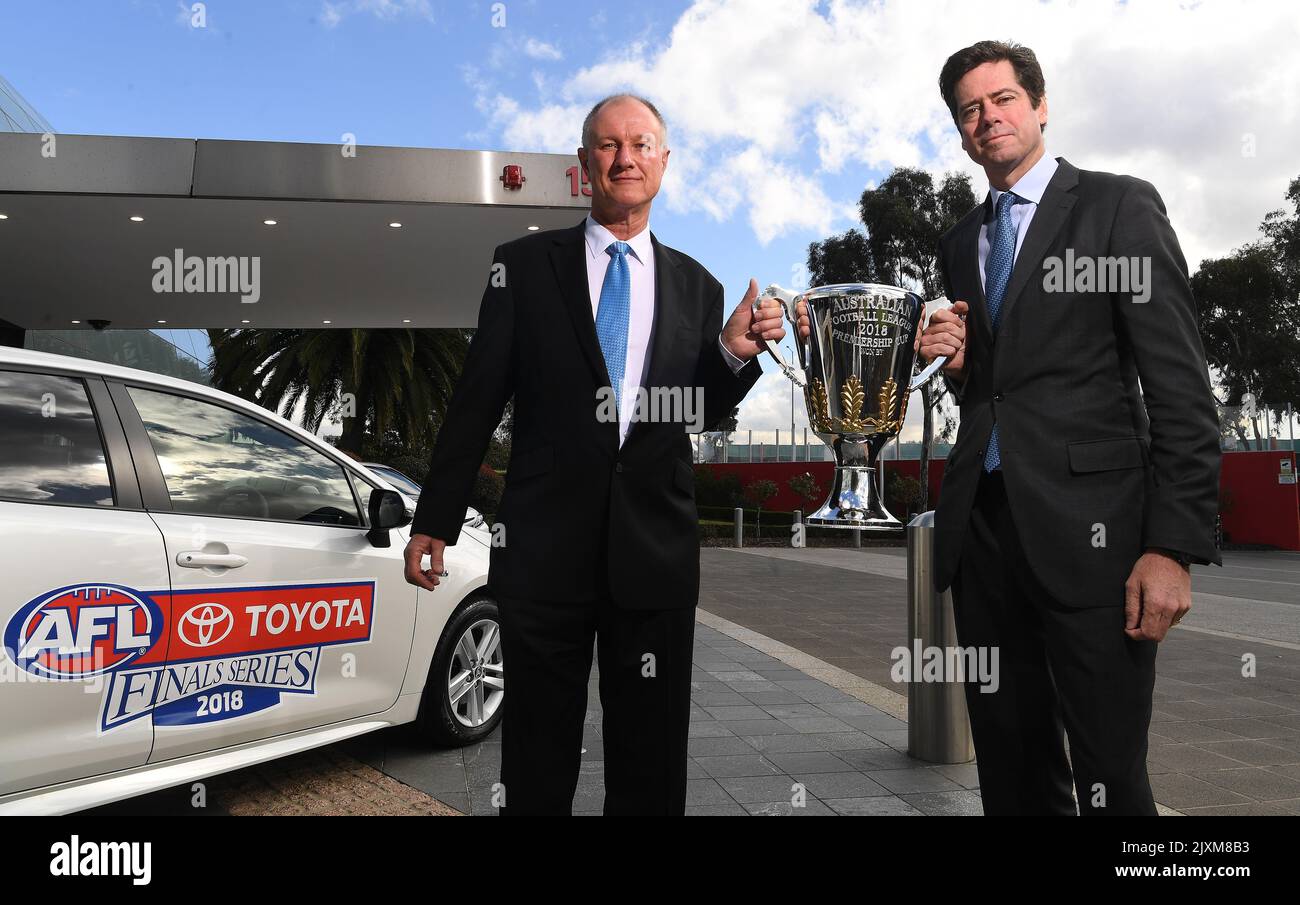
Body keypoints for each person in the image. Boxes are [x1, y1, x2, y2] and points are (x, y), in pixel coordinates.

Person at [403, 94, 793, 815]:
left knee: (650, 761)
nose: (626, 158)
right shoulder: (521, 267)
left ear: (664, 162)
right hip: (544, 555)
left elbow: (693, 415)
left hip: (655, 557)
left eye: (641, 144)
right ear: (585, 165)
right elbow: (477, 398)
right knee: (537, 755)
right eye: (608, 146)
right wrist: (436, 517)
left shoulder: (698, 286)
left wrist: (733, 354)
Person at [919, 41, 1221, 815]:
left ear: (1041, 105)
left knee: (1111, 776)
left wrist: (1172, 545)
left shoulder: (1118, 205)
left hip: (1098, 540)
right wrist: (958, 370)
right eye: (970, 110)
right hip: (984, 539)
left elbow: (1181, 387)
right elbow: (999, 393)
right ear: (959, 133)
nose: (989, 118)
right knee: (1012, 773)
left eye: (1004, 99)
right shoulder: (960, 242)